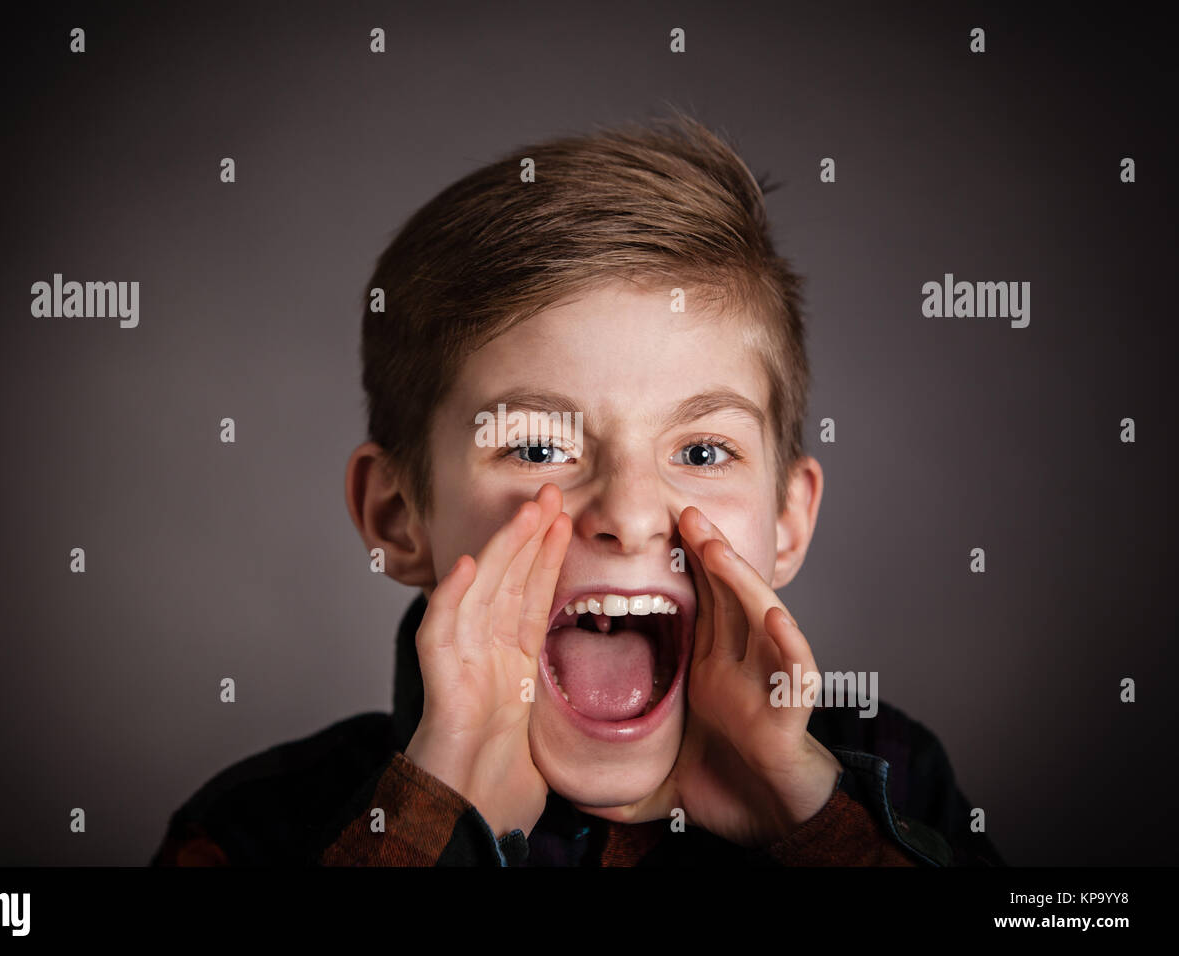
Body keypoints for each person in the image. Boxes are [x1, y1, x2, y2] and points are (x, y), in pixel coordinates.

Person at [152, 113, 1003, 867]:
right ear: (398, 516)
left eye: (703, 452)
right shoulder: (254, 830)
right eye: (534, 446)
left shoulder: (890, 786)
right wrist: (427, 827)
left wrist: (818, 831)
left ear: (787, 521)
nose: (630, 516)